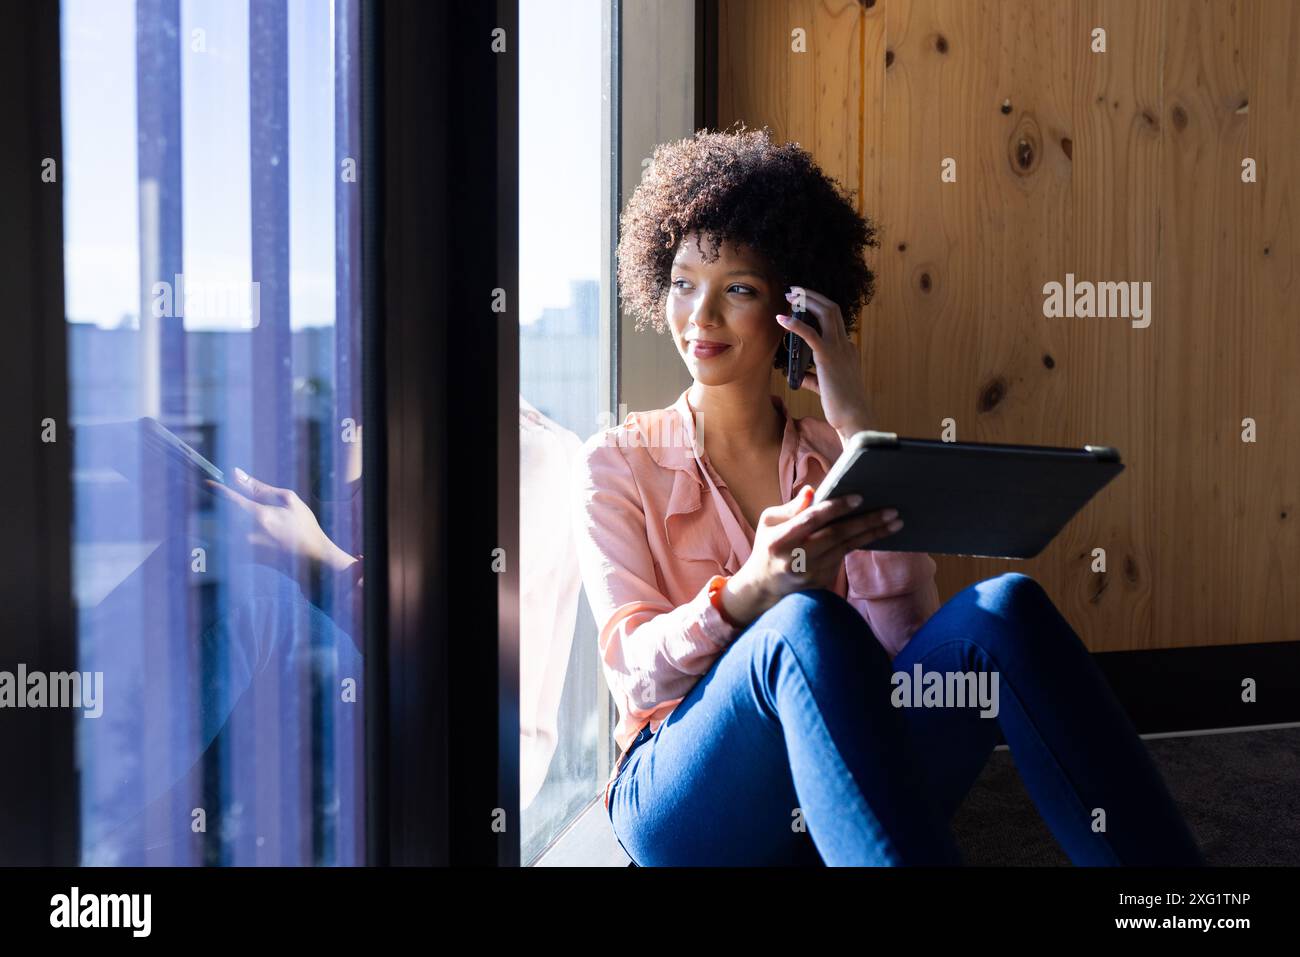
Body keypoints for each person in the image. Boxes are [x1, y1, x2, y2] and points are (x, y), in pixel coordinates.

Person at [572, 125, 1204, 866]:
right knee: (802, 621)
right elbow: (633, 669)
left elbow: (905, 644)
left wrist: (856, 423)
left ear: (792, 307)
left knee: (1004, 608)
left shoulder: (834, 450)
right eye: (683, 282)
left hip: (843, 769)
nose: (701, 316)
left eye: (737, 288)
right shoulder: (615, 462)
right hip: (686, 796)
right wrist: (751, 590)